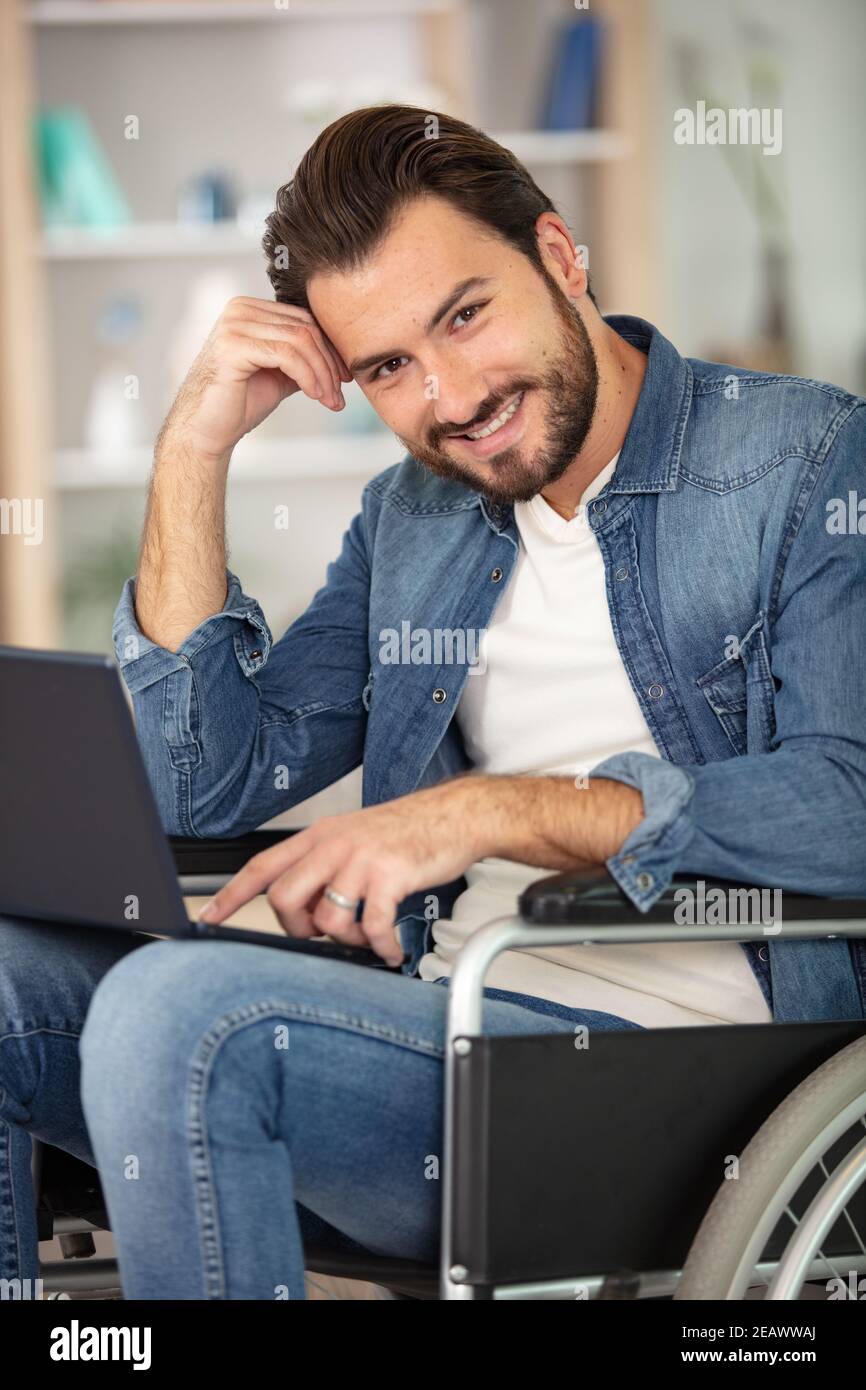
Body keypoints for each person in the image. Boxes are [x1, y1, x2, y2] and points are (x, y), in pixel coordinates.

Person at [3, 104, 865, 1299]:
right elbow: (198, 780)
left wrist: (488, 812)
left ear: (559, 257)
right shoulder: (413, 518)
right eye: (387, 366)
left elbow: (848, 802)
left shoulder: (807, 460)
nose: (449, 395)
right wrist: (191, 452)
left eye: (463, 316)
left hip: (682, 1085)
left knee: (175, 1014)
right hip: (443, 1027)